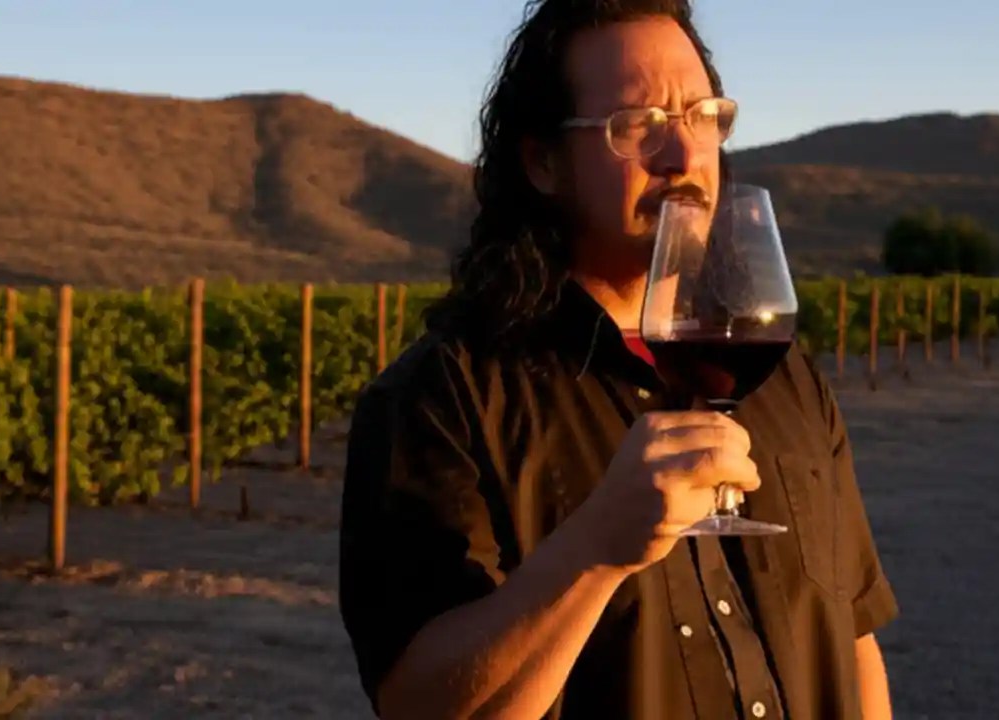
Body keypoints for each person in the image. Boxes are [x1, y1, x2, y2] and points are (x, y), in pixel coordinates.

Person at [338, 1, 898, 718]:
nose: (683, 156)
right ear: (543, 163)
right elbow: (419, 704)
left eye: (701, 116)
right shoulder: (442, 399)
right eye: (638, 126)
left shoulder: (784, 376)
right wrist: (594, 548)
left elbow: (853, 642)